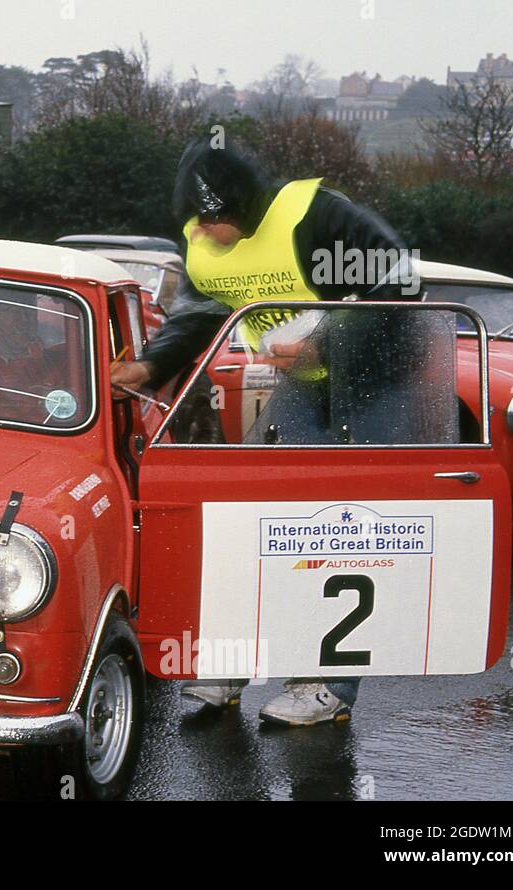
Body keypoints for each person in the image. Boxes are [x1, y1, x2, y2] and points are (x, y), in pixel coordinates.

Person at [111, 137, 421, 726]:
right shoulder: (201, 241)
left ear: (248, 207)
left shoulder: (315, 212)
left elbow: (400, 281)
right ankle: (234, 659)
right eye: (199, 218)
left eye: (221, 218)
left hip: (375, 382)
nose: (209, 231)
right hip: (304, 383)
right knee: (256, 514)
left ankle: (328, 685)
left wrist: (325, 344)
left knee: (339, 530)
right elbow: (201, 314)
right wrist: (151, 366)